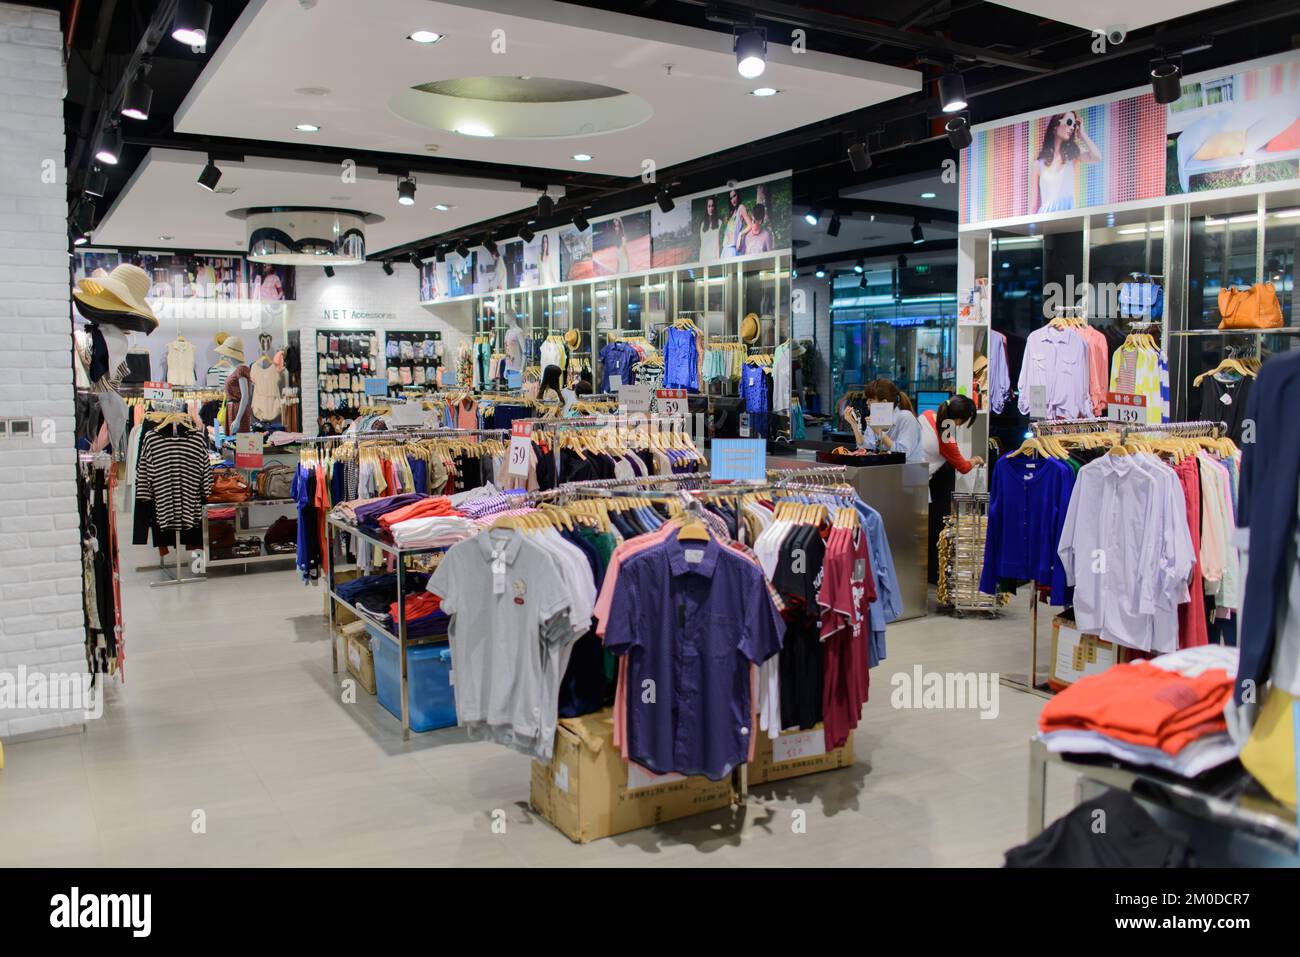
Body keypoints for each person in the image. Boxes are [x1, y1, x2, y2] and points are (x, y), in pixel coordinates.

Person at [918, 394, 984, 585]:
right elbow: (962, 466)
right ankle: (935, 574)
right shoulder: (946, 434)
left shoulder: (929, 414)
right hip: (925, 484)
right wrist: (976, 460)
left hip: (912, 477)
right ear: (958, 420)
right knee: (937, 530)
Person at [1033, 110, 1101, 214]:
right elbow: (1033, 205)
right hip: (1046, 216)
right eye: (1069, 122)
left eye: (1074, 125)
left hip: (1067, 213)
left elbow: (1097, 157)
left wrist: (1082, 134)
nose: (1072, 127)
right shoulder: (1038, 164)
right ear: (1056, 125)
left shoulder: (1072, 154)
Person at [843, 378, 924, 465]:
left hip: (908, 473)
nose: (867, 403)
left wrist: (879, 433)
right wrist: (854, 425)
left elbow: (903, 454)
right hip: (885, 471)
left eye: (870, 400)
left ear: (884, 403)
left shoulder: (906, 417)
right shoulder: (874, 418)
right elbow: (866, 449)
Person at [720, 189, 753, 258]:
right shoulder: (732, 212)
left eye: (734, 196)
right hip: (725, 248)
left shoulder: (741, 207)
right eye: (731, 198)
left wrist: (741, 234)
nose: (733, 199)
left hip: (732, 248)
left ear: (738, 195)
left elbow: (750, 225)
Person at [699, 196, 722, 264]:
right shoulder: (703, 225)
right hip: (704, 259)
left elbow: (718, 244)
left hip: (714, 259)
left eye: (712, 206)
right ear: (706, 208)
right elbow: (702, 245)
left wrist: (718, 260)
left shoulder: (719, 222)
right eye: (709, 206)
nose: (711, 208)